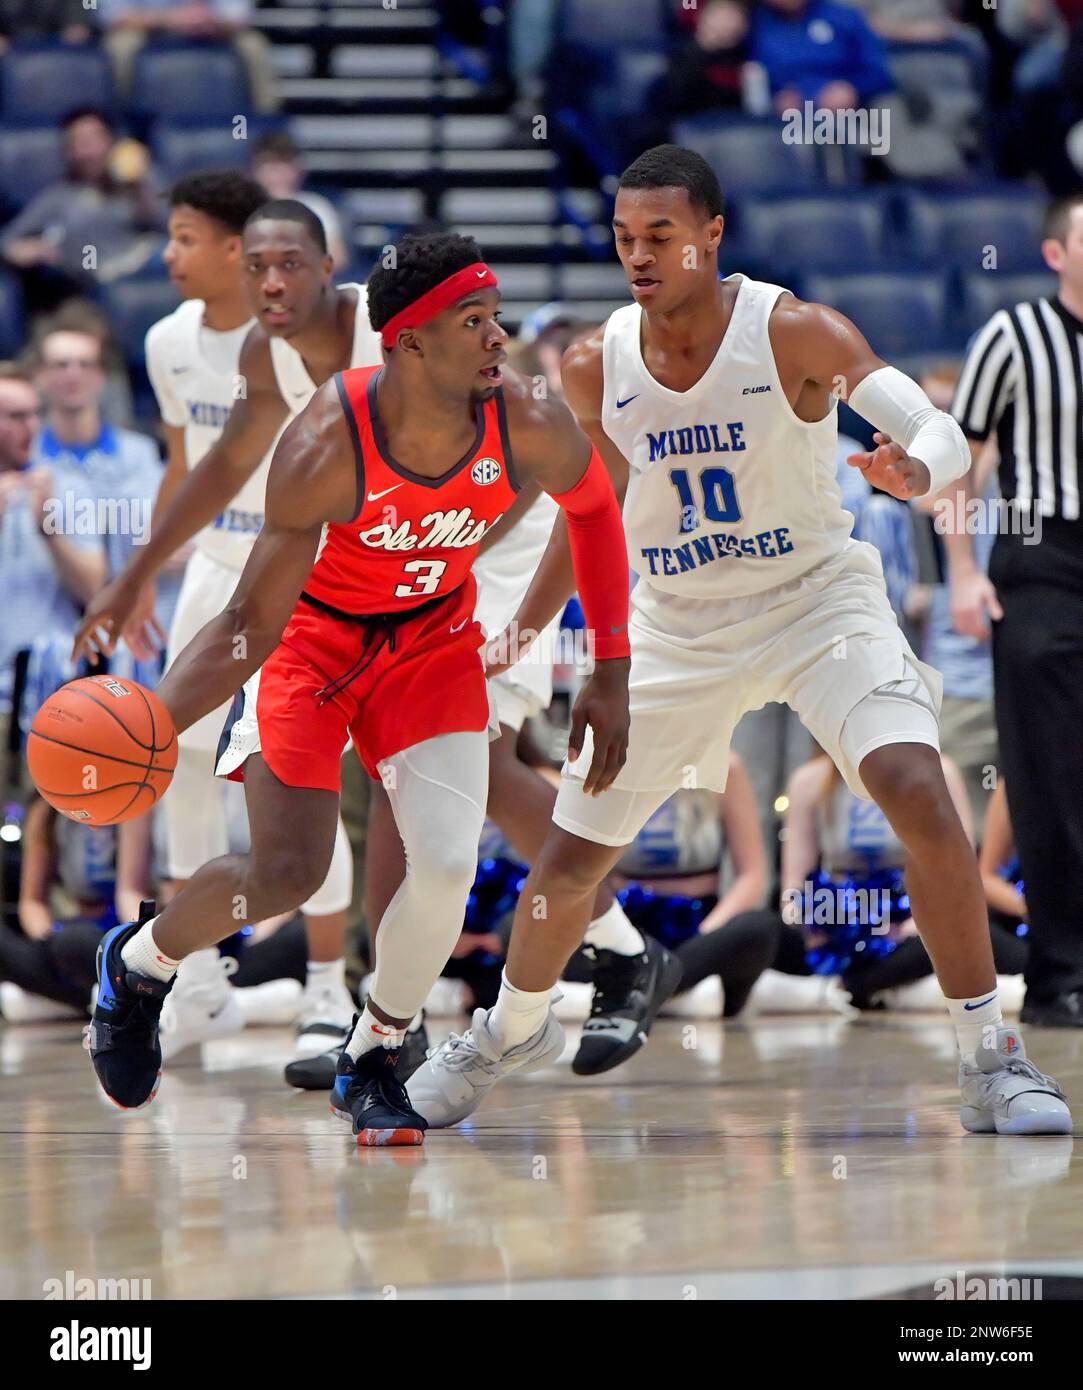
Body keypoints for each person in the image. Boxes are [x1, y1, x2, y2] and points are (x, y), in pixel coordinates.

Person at [410, 144, 1071, 1137]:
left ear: (712, 236)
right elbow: (595, 512)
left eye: (661, 237)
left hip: (816, 602)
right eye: (625, 238)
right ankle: (510, 1029)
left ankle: (989, 1054)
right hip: (678, 623)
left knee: (919, 790)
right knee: (572, 856)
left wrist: (919, 472)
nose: (639, 255)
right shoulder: (597, 363)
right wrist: (532, 633)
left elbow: (931, 428)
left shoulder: (794, 328)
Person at [73, 230, 633, 1147]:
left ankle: (375, 1050)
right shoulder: (327, 442)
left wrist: (607, 669)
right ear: (409, 342)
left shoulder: (525, 415)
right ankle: (139, 963)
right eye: (474, 321)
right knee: (285, 874)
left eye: (495, 318)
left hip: (431, 642)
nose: (498, 338)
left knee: (447, 862)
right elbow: (249, 624)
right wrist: (151, 725)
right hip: (312, 647)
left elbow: (595, 511)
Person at [75, 185, 384, 1069]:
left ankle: (331, 980)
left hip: (316, 565)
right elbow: (198, 465)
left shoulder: (339, 333)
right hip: (222, 562)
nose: (169, 257)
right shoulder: (178, 342)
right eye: (260, 263)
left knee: (303, 766)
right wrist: (139, 578)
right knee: (169, 757)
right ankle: (198, 978)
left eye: (183, 239)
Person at [946, 190, 1083, 1026]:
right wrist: (962, 571)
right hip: (1041, 558)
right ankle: (1060, 974)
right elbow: (956, 459)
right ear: (1055, 254)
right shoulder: (1011, 337)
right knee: (1046, 770)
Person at [30, 317, 182, 635]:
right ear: (39, 376)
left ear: (100, 376)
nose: (73, 374)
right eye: (60, 365)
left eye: (85, 364)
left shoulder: (140, 455)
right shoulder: (25, 458)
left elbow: (171, 539)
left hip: (133, 621)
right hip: (46, 621)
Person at [0, 365, 105, 802]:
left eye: (34, 414)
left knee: (44, 836)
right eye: (15, 416)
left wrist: (50, 531)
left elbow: (96, 593)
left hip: (44, 691)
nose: (31, 426)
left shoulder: (68, 487)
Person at [0, 108, 163, 301]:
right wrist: (31, 250)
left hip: (144, 266)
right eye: (79, 143)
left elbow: (168, 224)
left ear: (111, 141)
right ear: (68, 151)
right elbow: (8, 241)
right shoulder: (58, 196)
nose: (89, 151)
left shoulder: (138, 181)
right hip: (90, 277)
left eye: (95, 139)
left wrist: (140, 187)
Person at [97, 0, 279, 114]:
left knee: (253, 45)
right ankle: (121, 130)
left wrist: (211, 19)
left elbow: (239, 14)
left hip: (211, 29)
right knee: (120, 46)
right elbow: (112, 15)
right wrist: (170, 19)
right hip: (150, 30)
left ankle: (266, 131)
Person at [250, 133, 348, 270]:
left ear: (298, 170)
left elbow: (337, 257)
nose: (278, 172)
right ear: (255, 170)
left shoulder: (317, 206)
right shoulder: (243, 206)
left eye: (284, 163)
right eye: (270, 164)